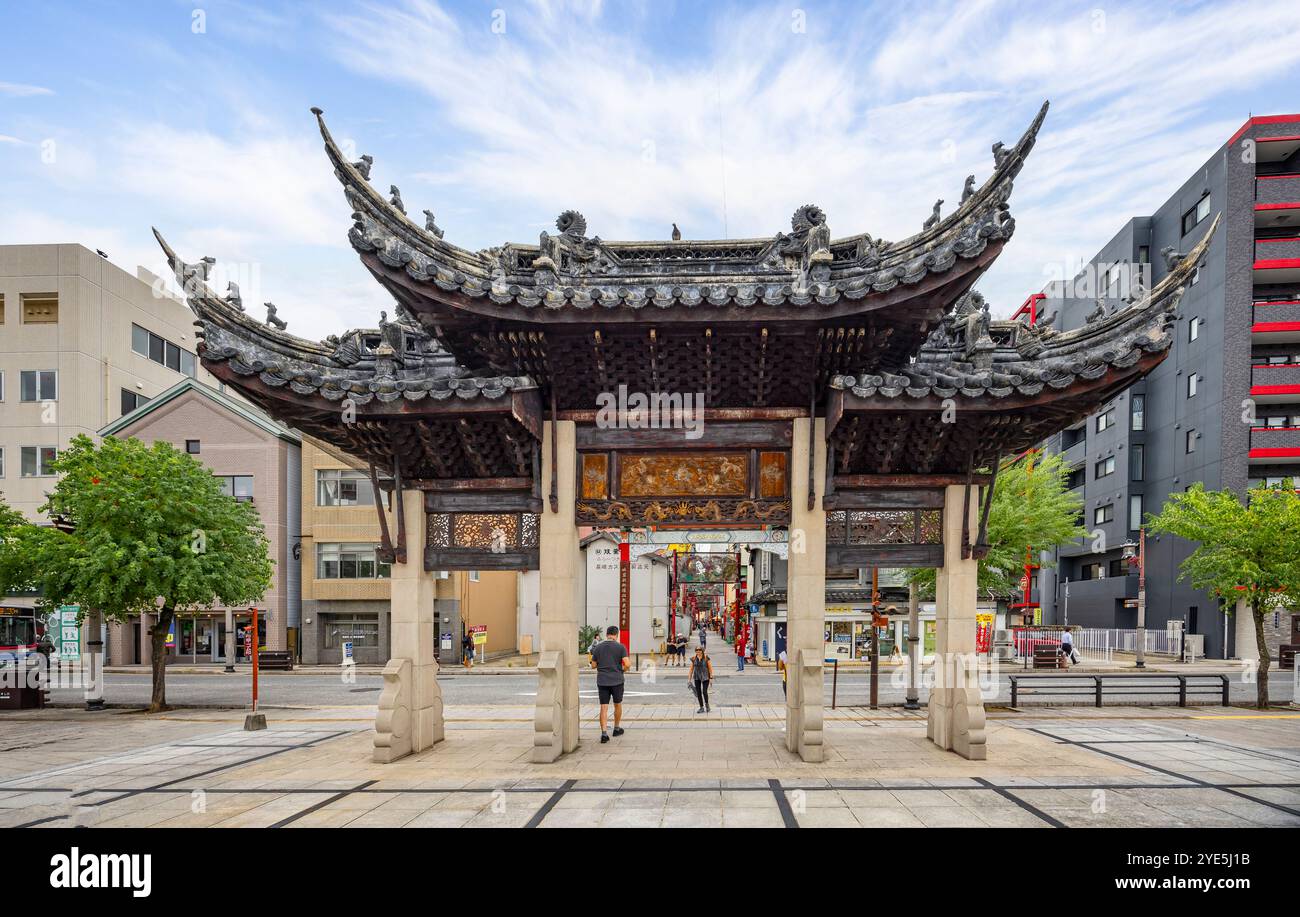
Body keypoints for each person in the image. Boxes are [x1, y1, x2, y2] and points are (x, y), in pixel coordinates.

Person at [590, 625, 630, 743]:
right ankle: (616, 728)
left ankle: (604, 734)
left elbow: (593, 665)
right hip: (617, 680)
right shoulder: (620, 647)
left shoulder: (598, 647)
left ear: (607, 634)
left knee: (603, 707)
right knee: (617, 704)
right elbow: (627, 664)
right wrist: (622, 670)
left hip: (602, 681)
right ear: (616, 635)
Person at [689, 644, 713, 713]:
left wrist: (711, 678)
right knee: (698, 692)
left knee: (704, 692)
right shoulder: (693, 658)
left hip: (705, 677)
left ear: (702, 651)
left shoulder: (706, 658)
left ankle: (707, 705)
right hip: (697, 677)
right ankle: (701, 707)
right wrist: (689, 679)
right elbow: (691, 669)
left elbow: (710, 668)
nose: (698, 651)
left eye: (699, 650)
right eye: (697, 650)